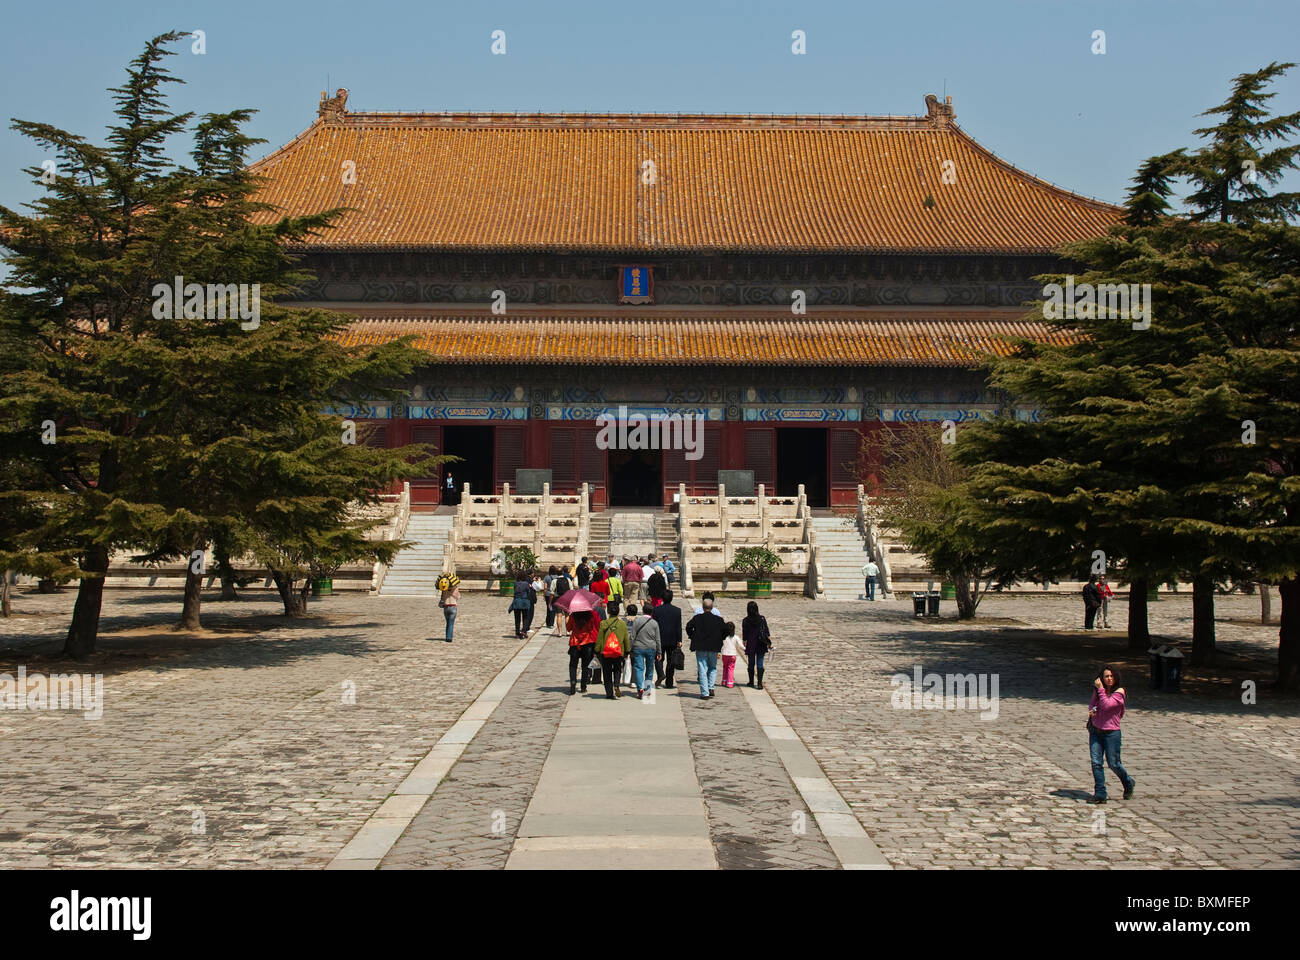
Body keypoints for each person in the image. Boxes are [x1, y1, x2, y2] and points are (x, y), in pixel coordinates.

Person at [1087, 665, 1135, 804]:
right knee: (1096, 763)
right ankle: (1100, 794)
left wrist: (1101, 689)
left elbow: (1108, 705)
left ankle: (1128, 782)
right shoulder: (1098, 691)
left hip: (1112, 733)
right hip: (1096, 731)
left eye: (1111, 676)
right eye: (1106, 676)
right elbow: (1092, 704)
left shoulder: (1120, 692)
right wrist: (1093, 710)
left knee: (1114, 763)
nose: (1109, 679)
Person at [686, 595, 727, 699]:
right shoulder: (718, 619)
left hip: (700, 646)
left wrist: (692, 636)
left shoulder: (697, 618)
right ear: (712, 607)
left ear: (703, 607)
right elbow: (726, 630)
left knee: (702, 668)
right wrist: (720, 638)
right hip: (714, 646)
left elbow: (688, 627)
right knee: (712, 667)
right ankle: (710, 687)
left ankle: (705, 692)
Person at [627, 604, 662, 699]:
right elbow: (658, 638)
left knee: (639, 668)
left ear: (643, 611)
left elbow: (632, 636)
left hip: (638, 647)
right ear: (652, 612)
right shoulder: (654, 623)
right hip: (651, 648)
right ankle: (647, 689)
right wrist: (659, 651)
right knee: (650, 669)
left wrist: (629, 649)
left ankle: (640, 688)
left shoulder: (637, 621)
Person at [651, 589, 683, 688]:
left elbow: (654, 625)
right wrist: (679, 640)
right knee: (671, 660)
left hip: (659, 638)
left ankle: (660, 674)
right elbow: (678, 626)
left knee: (658, 658)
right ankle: (669, 682)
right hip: (672, 638)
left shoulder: (656, 610)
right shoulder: (677, 610)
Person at [596, 608, 630, 700]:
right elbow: (626, 639)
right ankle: (616, 684)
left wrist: (597, 649)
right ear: (618, 612)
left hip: (606, 651)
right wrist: (627, 651)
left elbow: (599, 638)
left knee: (606, 672)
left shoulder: (603, 623)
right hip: (618, 652)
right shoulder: (622, 624)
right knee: (617, 669)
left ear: (608, 612)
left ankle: (609, 692)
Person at [566, 609, 599, 696]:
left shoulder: (573, 615)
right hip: (587, 641)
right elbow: (592, 627)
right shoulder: (590, 615)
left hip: (575, 642)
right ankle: (583, 686)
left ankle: (573, 682)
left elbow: (568, 628)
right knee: (585, 665)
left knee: (573, 665)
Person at [742, 600, 772, 688]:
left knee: (751, 663)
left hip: (751, 643)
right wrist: (770, 643)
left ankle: (751, 682)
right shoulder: (762, 619)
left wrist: (744, 643)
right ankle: (759, 683)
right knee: (760, 663)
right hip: (761, 643)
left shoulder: (745, 621)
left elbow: (745, 634)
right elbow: (766, 631)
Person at [719, 621, 742, 688]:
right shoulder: (735, 637)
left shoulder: (723, 637)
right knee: (731, 668)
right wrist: (746, 649)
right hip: (732, 655)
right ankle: (730, 683)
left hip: (724, 654)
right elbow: (740, 646)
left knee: (725, 667)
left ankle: (724, 681)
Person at [551, 566, 572, 634]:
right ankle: (567, 631)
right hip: (566, 598)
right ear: (563, 572)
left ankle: (560, 632)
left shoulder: (554, 581)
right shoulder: (568, 579)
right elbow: (571, 589)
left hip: (558, 598)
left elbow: (552, 591)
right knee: (567, 615)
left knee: (559, 615)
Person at [438, 578, 460, 642]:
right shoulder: (455, 588)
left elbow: (442, 599)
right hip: (453, 607)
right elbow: (458, 597)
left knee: (448, 622)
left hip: (446, 607)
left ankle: (447, 636)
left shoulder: (443, 589)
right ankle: (449, 637)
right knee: (451, 623)